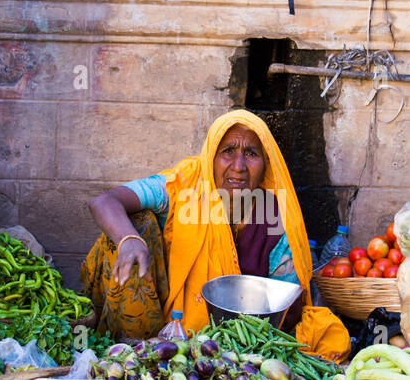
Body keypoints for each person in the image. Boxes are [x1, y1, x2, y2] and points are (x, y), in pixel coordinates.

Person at [81, 109, 349, 359]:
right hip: (164, 325)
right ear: (211, 156)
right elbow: (105, 202)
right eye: (228, 151)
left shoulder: (275, 217)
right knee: (134, 226)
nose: (238, 166)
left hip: (234, 346)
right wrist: (129, 240)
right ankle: (131, 346)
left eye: (252, 154)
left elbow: (287, 308)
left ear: (266, 163)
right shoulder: (184, 186)